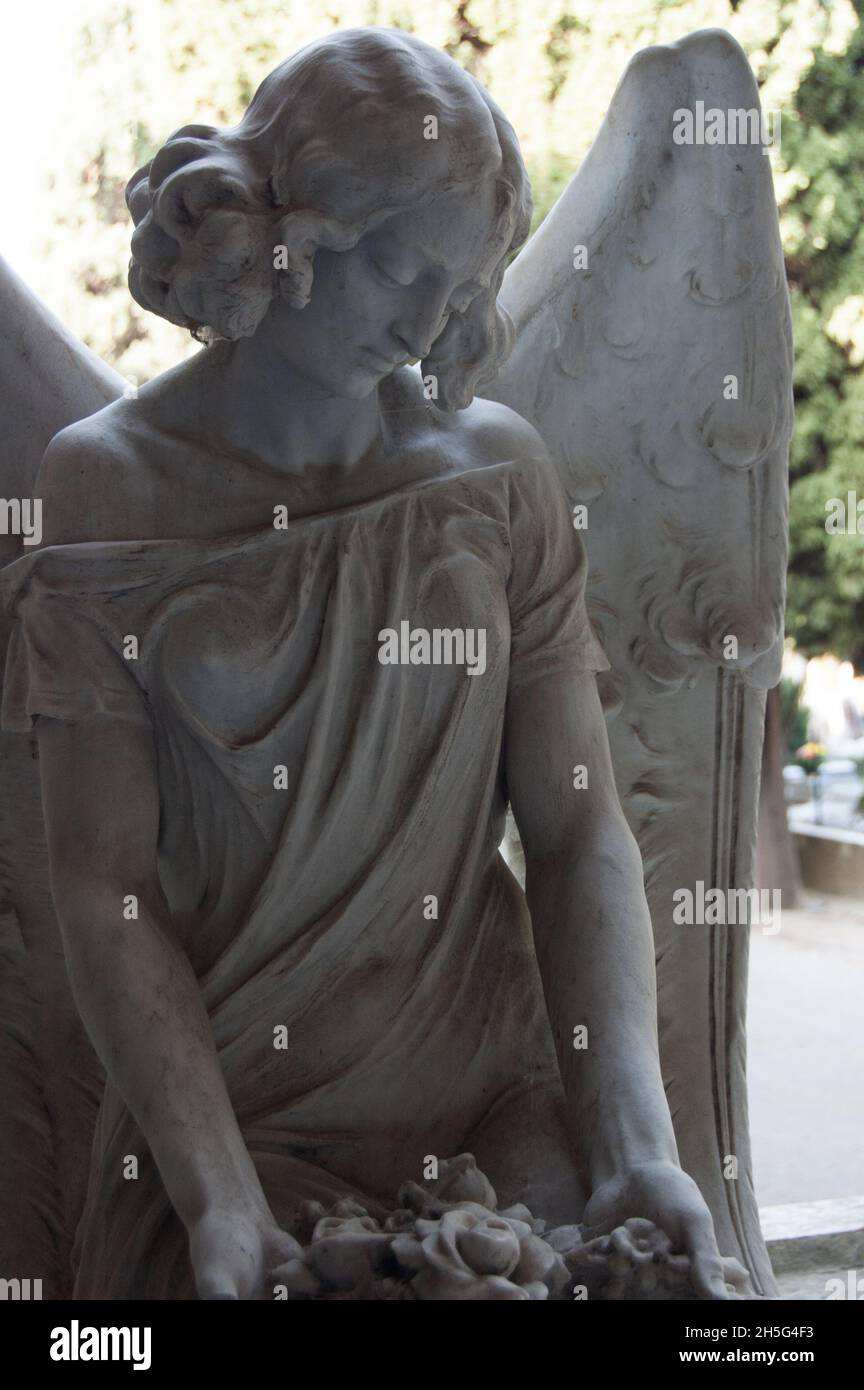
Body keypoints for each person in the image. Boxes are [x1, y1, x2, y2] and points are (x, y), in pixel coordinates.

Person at [1, 27, 730, 1299]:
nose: (429, 323)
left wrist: (634, 1144)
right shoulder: (109, 484)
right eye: (400, 267)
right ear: (286, 228)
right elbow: (103, 885)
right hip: (236, 1125)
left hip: (495, 1095)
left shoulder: (494, 474)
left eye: (461, 290)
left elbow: (572, 831)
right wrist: (218, 1200)